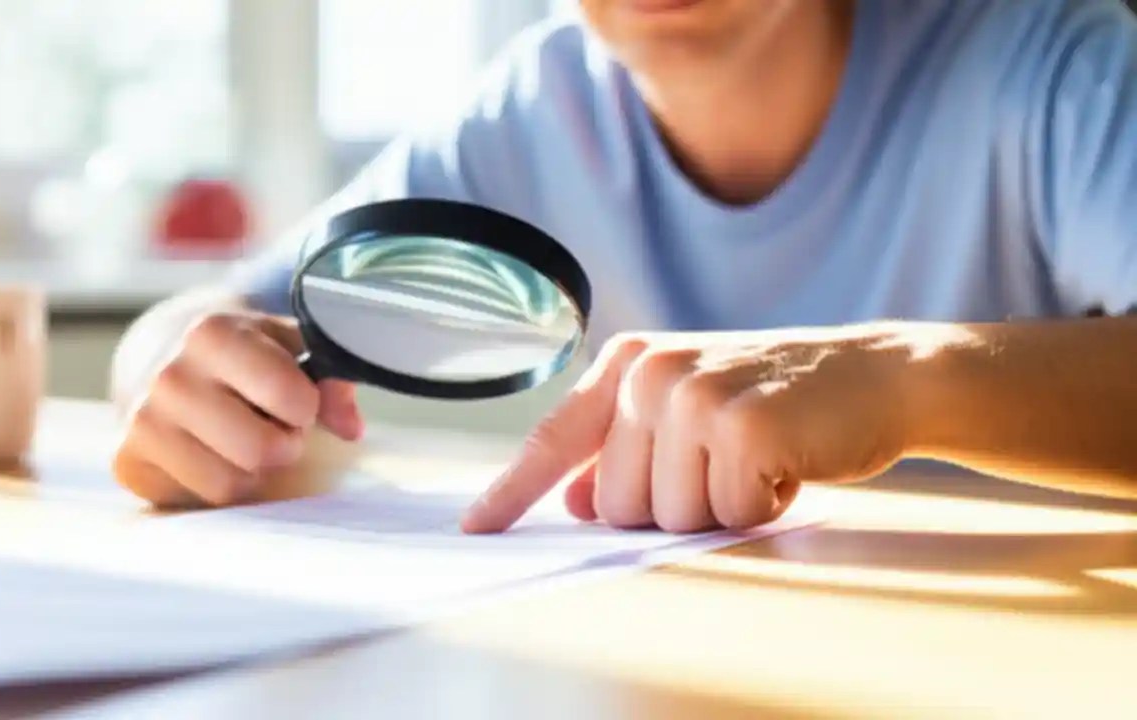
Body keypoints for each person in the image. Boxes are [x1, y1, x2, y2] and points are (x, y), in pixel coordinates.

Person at [111, 0, 1137, 534]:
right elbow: (218, 315)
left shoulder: (1049, 67)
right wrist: (172, 369)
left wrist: (904, 381)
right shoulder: (531, 107)